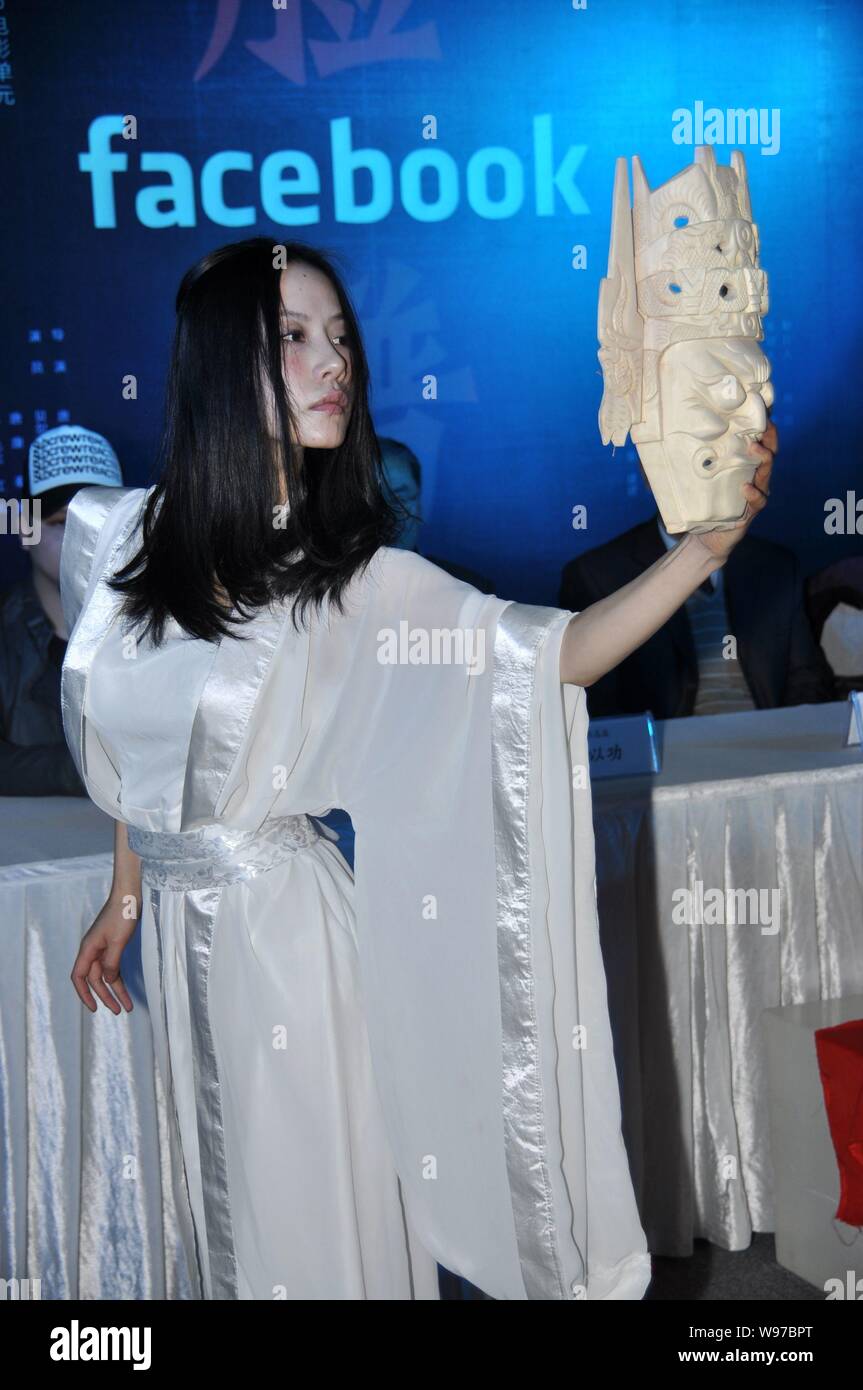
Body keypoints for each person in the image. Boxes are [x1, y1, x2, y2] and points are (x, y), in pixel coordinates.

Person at [63, 237, 775, 1302]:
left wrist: (700, 554)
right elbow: (141, 752)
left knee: (301, 1232)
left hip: (290, 947)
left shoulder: (351, 583)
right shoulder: (111, 537)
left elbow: (550, 656)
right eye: (295, 338)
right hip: (177, 936)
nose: (334, 361)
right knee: (225, 1222)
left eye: (340, 338)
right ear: (218, 363)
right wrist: (126, 892)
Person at [559, 506, 834, 719]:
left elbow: (807, 677)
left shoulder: (776, 564)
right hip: (665, 764)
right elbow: (597, 708)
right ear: (648, 469)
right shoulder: (597, 574)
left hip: (769, 745)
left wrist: (789, 742)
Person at [0, 425, 123, 795]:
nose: (85, 539)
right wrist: (94, 772)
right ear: (25, 529)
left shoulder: (161, 628)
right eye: (62, 522)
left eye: (102, 521)